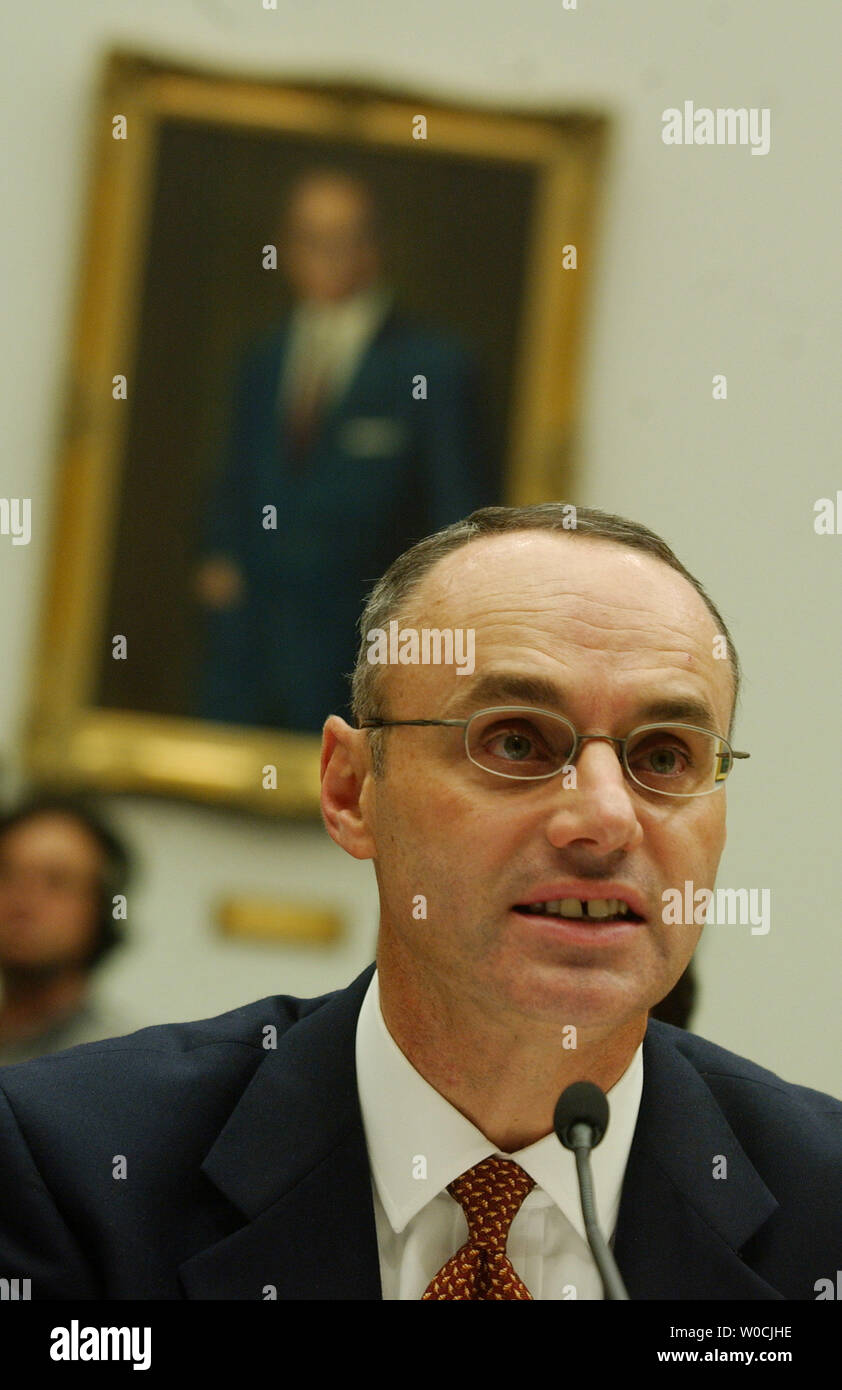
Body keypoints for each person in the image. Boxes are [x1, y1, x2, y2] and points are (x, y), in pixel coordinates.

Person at [0, 504, 839, 1299]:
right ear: (352, 789)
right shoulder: (70, 1167)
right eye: (516, 741)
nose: (606, 819)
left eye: (664, 756)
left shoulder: (823, 1213)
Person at [193, 167, 495, 732]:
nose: (327, 256)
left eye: (344, 238)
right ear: (286, 248)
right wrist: (220, 558)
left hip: (357, 642)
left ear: (373, 246)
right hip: (249, 643)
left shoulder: (432, 366)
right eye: (311, 239)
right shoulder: (263, 357)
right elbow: (234, 476)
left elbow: (459, 517)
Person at [0, 796, 135, 1066]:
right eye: (6, 875)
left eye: (57, 882)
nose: (22, 902)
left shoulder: (120, 1064)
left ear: (104, 909)